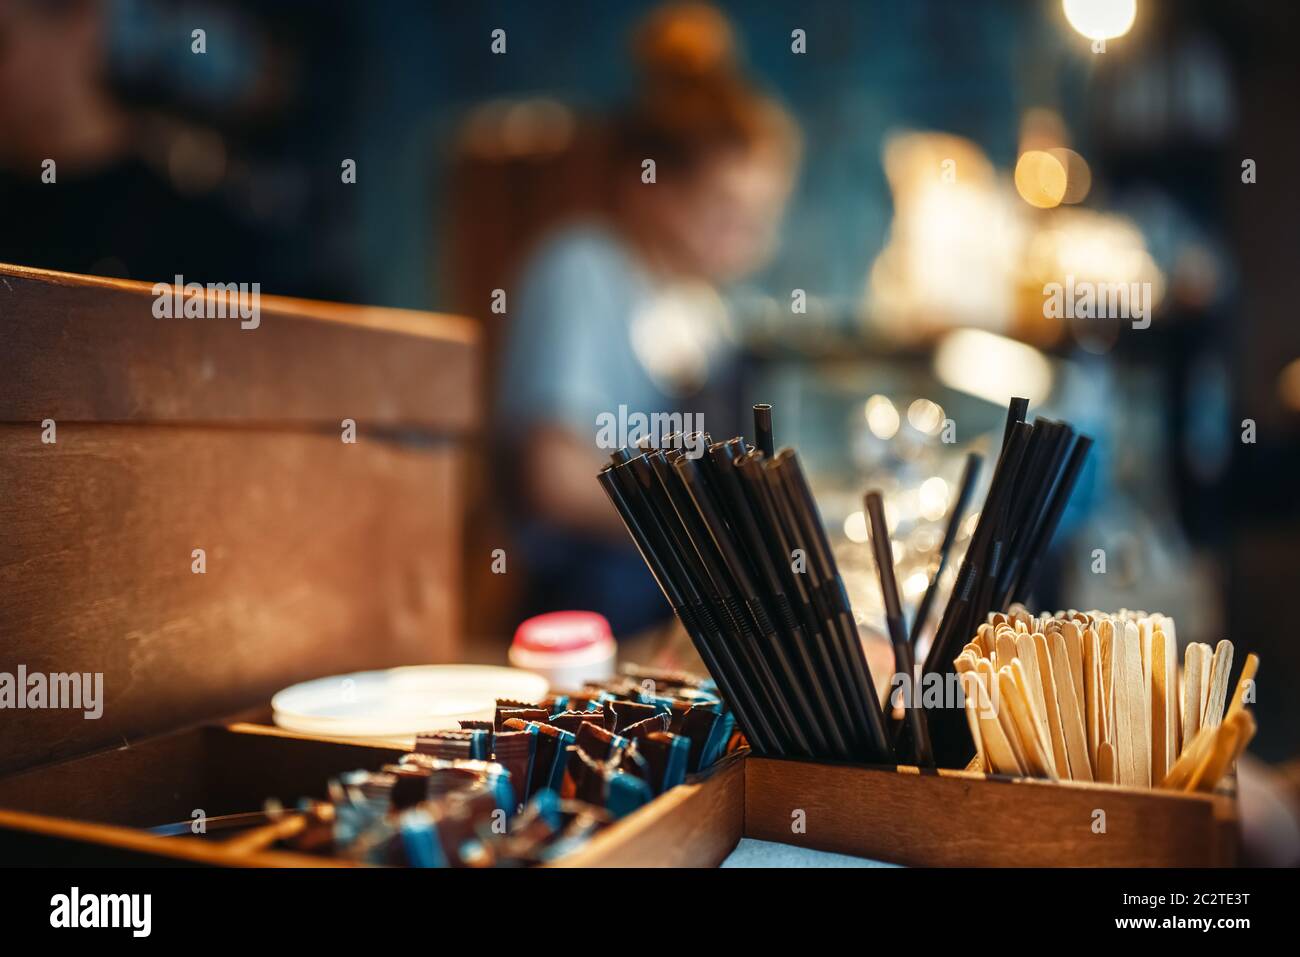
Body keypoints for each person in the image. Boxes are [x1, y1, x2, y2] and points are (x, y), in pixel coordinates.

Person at [495, 3, 800, 635]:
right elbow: (555, 478)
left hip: (674, 608)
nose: (749, 241)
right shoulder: (582, 270)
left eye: (762, 217)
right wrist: (719, 532)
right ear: (649, 184)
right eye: (725, 211)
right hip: (588, 614)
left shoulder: (705, 308)